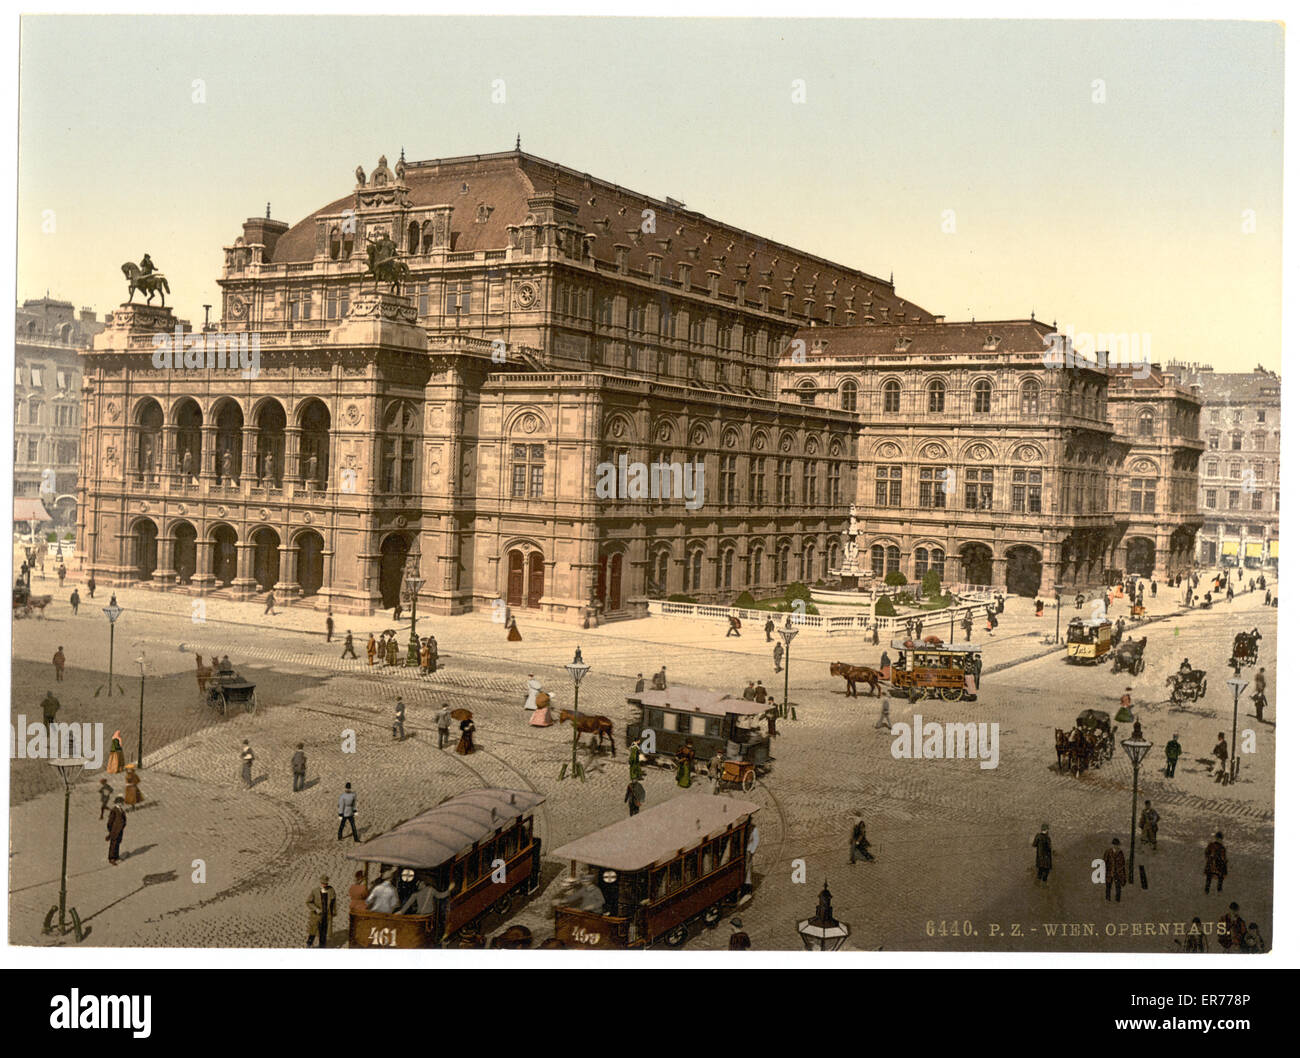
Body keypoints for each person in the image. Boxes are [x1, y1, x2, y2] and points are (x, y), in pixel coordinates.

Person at [307, 876, 337, 948]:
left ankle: (322, 947)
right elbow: (308, 902)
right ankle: (309, 944)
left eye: (326, 883)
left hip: (326, 915)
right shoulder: (315, 891)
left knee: (323, 933)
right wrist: (316, 909)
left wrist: (334, 912)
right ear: (320, 883)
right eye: (323, 883)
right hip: (316, 916)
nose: (324, 885)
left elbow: (333, 902)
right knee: (313, 931)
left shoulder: (331, 890)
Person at [1103, 838, 1127, 902]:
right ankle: (1107, 899)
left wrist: (1121, 872)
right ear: (1112, 845)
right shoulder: (1108, 852)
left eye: (1117, 845)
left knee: (1118, 887)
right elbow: (1104, 862)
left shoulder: (1120, 853)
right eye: (1114, 845)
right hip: (1109, 872)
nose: (1116, 846)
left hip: (1117, 873)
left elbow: (1122, 863)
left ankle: (1117, 900)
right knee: (1108, 886)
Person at [105, 796, 127, 864]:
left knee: (117, 843)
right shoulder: (114, 810)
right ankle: (111, 858)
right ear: (118, 803)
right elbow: (110, 822)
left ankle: (116, 856)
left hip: (120, 830)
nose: (122, 803)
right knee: (113, 844)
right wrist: (111, 831)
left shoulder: (121, 809)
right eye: (121, 802)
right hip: (114, 830)